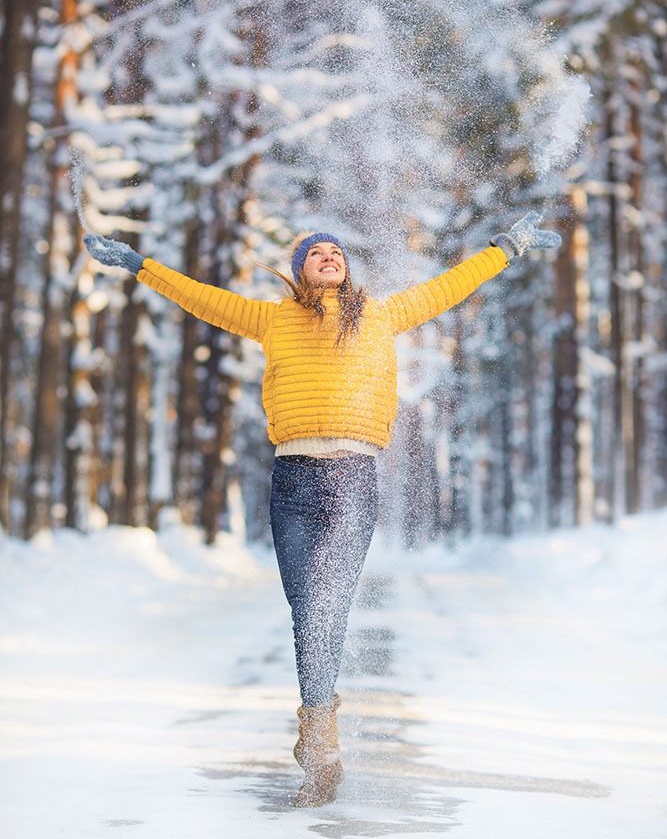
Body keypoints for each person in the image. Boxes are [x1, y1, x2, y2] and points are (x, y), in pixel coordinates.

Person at [83, 212, 560, 806]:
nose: (329, 255)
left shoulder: (381, 316)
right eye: (316, 252)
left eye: (336, 250)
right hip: (293, 479)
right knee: (307, 606)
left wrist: (506, 247)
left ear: (348, 268)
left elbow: (450, 285)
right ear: (298, 270)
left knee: (326, 605)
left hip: (353, 477)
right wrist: (139, 265)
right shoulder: (272, 318)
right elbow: (200, 299)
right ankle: (319, 732)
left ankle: (319, 744)